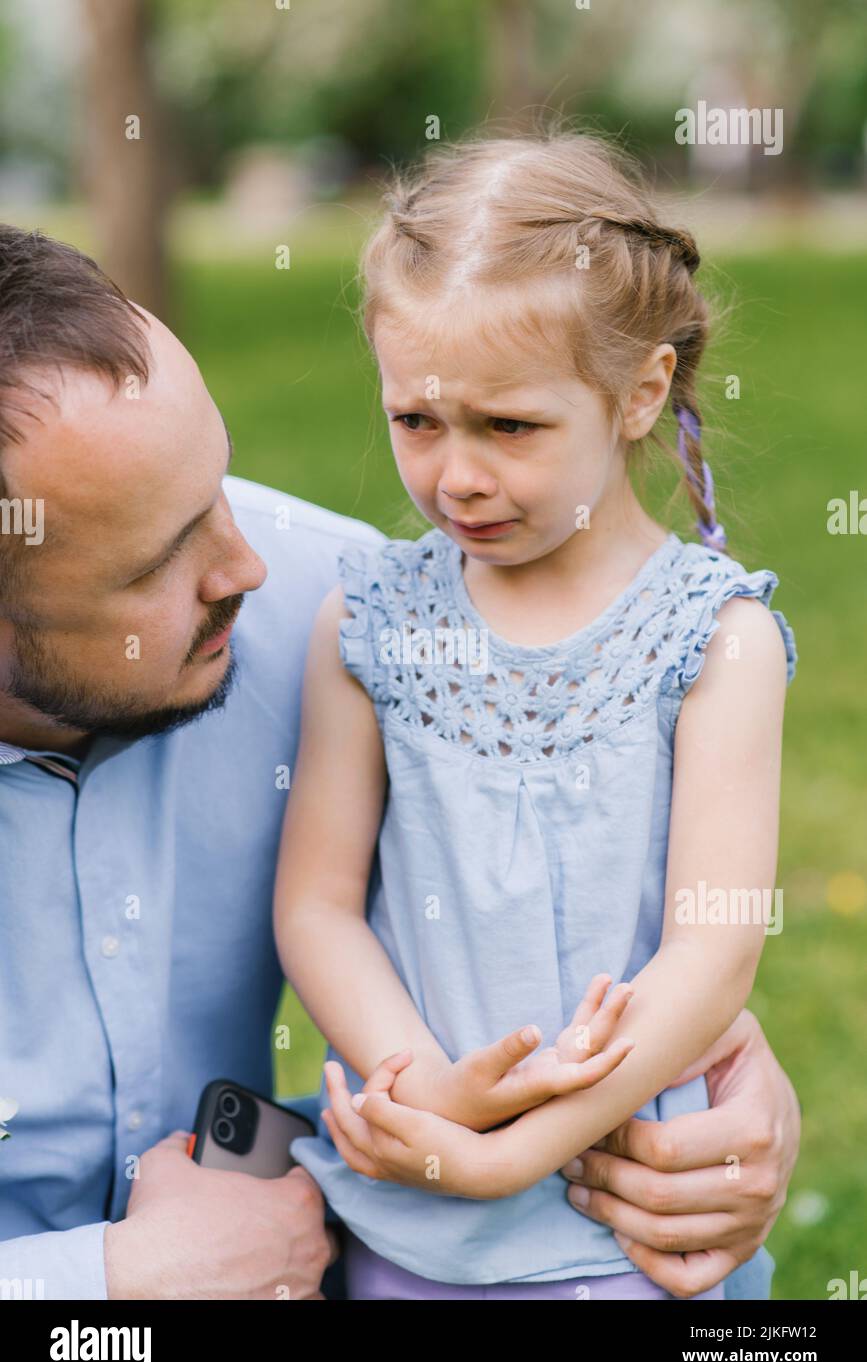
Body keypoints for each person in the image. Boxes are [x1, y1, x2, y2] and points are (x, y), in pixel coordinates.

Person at [0, 221, 798, 1303]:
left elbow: (615, 902)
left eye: (220, 493)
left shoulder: (363, 614)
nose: (247, 565)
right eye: (158, 561)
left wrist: (731, 1084)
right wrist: (105, 1288)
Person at [274, 129, 799, 1300]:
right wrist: (424, 1096)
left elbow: (713, 952)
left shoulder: (717, 640)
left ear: (639, 393)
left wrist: (509, 1151)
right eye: (417, 420)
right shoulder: (365, 623)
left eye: (509, 427)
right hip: (405, 1209)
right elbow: (316, 904)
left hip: (629, 1220)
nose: (456, 474)